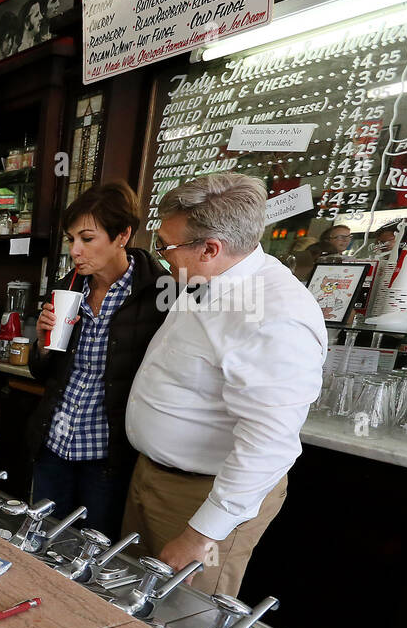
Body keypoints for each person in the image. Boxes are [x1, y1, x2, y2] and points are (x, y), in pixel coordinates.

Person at [122, 173, 327, 597]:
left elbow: (269, 444)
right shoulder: (209, 276)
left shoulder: (276, 317)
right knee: (129, 598)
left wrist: (201, 535)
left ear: (211, 249)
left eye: (166, 246)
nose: (160, 256)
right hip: (153, 478)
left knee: (184, 616)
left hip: (205, 502)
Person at [27, 181, 172, 537]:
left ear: (122, 235)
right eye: (71, 239)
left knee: (93, 553)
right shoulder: (71, 284)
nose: (75, 250)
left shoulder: (160, 292)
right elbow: (44, 371)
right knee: (42, 540)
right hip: (54, 444)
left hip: (109, 454)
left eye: (87, 239)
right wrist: (43, 344)